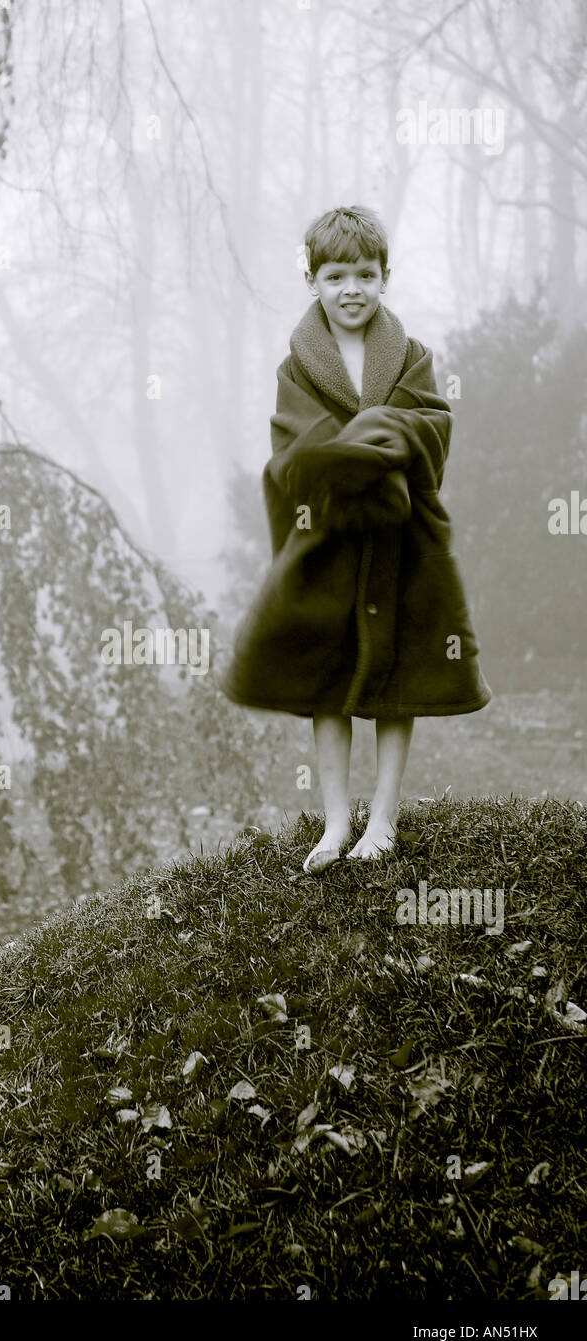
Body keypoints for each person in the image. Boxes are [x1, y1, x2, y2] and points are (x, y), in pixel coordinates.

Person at [220, 205, 492, 873]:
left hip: (401, 545)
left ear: (385, 278)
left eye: (365, 275)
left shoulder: (412, 357)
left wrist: (386, 438)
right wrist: (362, 450)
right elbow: (292, 453)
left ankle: (384, 818)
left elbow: (431, 426)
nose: (351, 289)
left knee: (399, 682)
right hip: (332, 546)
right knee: (329, 682)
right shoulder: (297, 368)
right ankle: (337, 820)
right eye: (335, 275)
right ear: (311, 280)